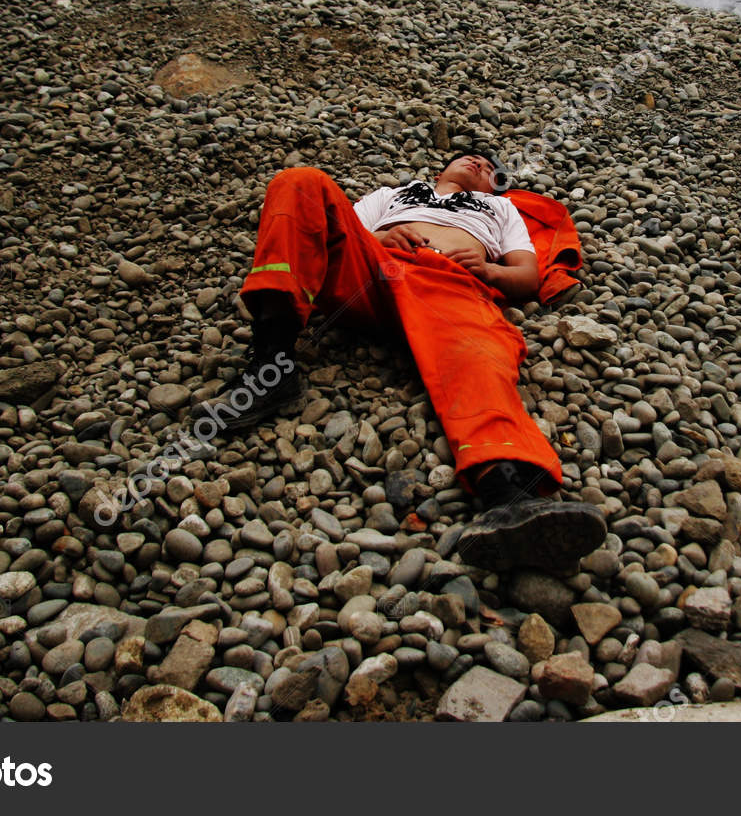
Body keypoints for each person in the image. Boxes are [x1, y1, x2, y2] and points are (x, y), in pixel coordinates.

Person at [207, 150, 607, 573]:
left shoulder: (499, 208)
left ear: (496, 186)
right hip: (372, 272)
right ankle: (272, 364)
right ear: (442, 167)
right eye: (470, 158)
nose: (480, 165)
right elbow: (329, 231)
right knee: (299, 180)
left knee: (477, 356)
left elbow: (527, 278)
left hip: (448, 284)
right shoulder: (392, 195)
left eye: (491, 169)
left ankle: (508, 495)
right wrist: (379, 240)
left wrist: (490, 272)